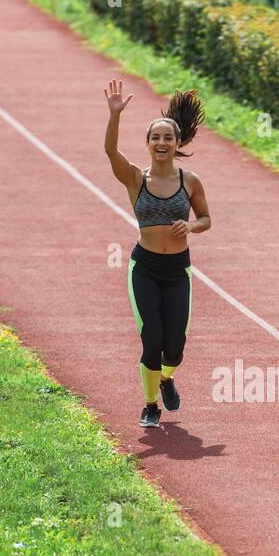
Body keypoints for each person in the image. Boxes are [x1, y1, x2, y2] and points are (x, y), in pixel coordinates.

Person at [104, 81, 211, 427]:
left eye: (168, 138)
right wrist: (115, 115)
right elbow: (110, 151)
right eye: (155, 138)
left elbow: (206, 219)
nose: (162, 143)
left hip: (178, 271)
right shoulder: (136, 179)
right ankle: (150, 405)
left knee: (175, 345)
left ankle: (167, 378)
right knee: (152, 339)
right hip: (145, 269)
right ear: (148, 144)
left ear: (178, 144)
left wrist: (191, 227)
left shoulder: (190, 181)